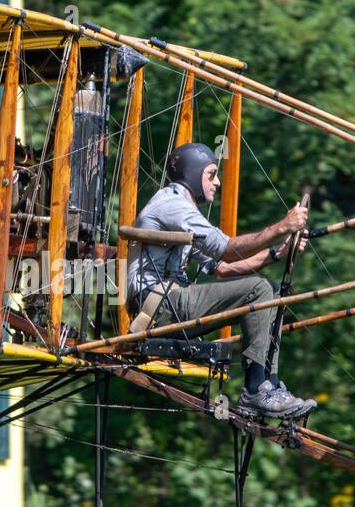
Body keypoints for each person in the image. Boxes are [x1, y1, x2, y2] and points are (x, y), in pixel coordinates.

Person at [124, 142, 317, 419]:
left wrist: (279, 252)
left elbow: (224, 267)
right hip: (160, 307)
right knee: (260, 288)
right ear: (192, 173)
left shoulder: (180, 211)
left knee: (271, 291)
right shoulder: (173, 207)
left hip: (168, 304)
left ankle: (269, 386)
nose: (217, 182)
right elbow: (227, 248)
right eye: (211, 174)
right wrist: (282, 226)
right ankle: (255, 391)